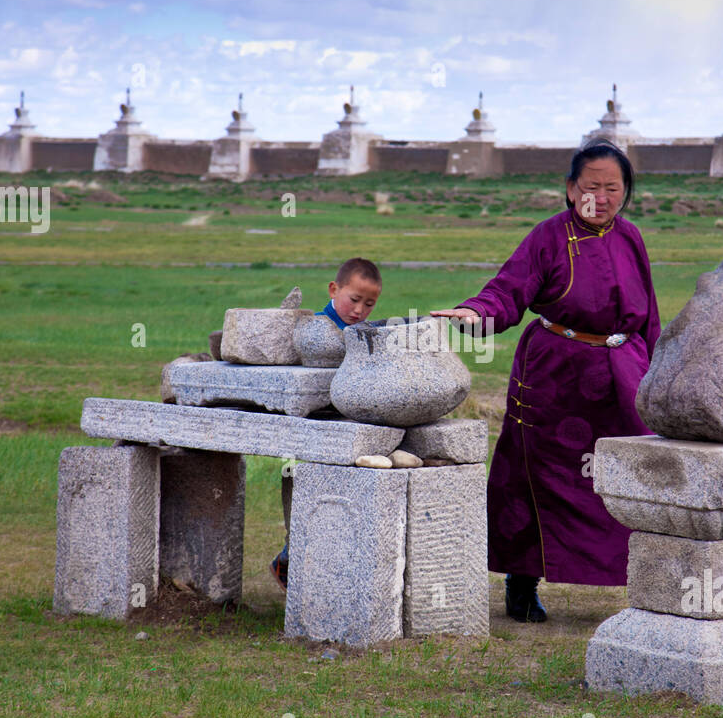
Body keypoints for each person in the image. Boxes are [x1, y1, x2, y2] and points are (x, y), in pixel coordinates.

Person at [431, 141, 660, 622]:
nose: (601, 196)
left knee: (629, 477)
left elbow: (650, 317)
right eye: (591, 186)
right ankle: (522, 584)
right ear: (571, 188)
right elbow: (508, 290)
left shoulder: (632, 237)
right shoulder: (548, 236)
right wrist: (476, 312)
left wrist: (660, 374)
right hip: (555, 378)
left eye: (612, 187)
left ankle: (647, 582)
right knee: (536, 479)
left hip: (624, 376)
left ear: (626, 191)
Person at [271, 257, 382, 590]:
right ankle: (290, 561)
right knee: (310, 501)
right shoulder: (318, 330)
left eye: (369, 304)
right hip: (313, 430)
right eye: (354, 299)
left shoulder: (362, 333)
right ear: (334, 290)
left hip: (345, 430)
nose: (359, 310)